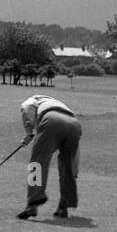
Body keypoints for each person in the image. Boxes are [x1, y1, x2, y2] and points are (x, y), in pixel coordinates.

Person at [16, 92, 81, 220]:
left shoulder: (33, 99)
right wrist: (75, 168)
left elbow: (27, 108)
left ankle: (33, 203)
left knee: (37, 162)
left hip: (52, 120)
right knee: (67, 166)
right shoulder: (57, 102)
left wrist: (28, 134)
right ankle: (64, 207)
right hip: (75, 124)